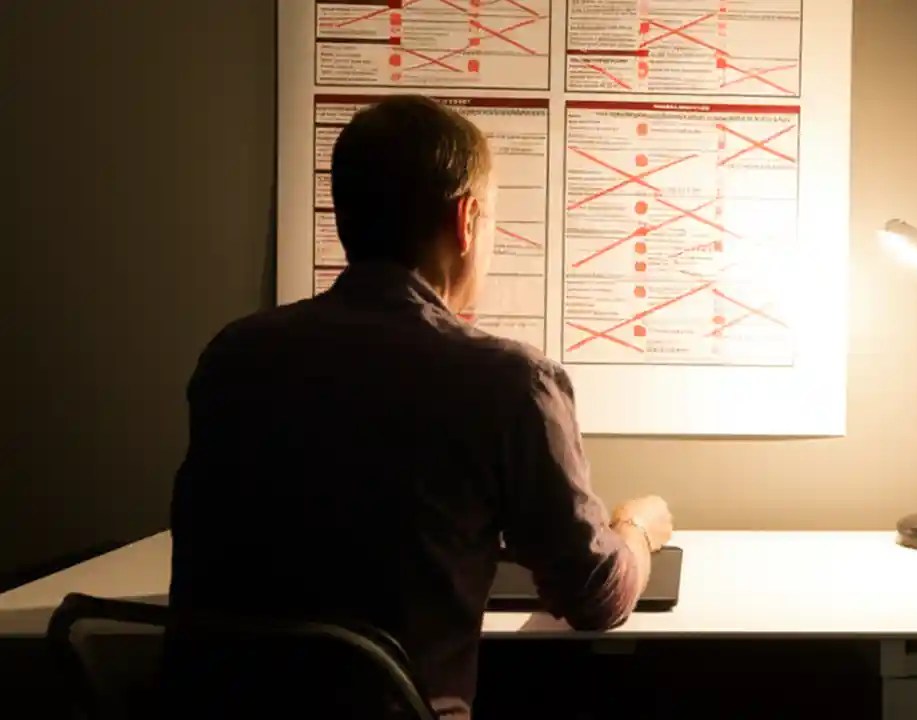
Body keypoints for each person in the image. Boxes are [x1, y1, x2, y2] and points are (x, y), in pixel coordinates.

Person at [167, 95, 674, 719]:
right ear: (466, 221)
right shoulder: (509, 381)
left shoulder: (232, 355)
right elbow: (594, 596)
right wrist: (640, 529)